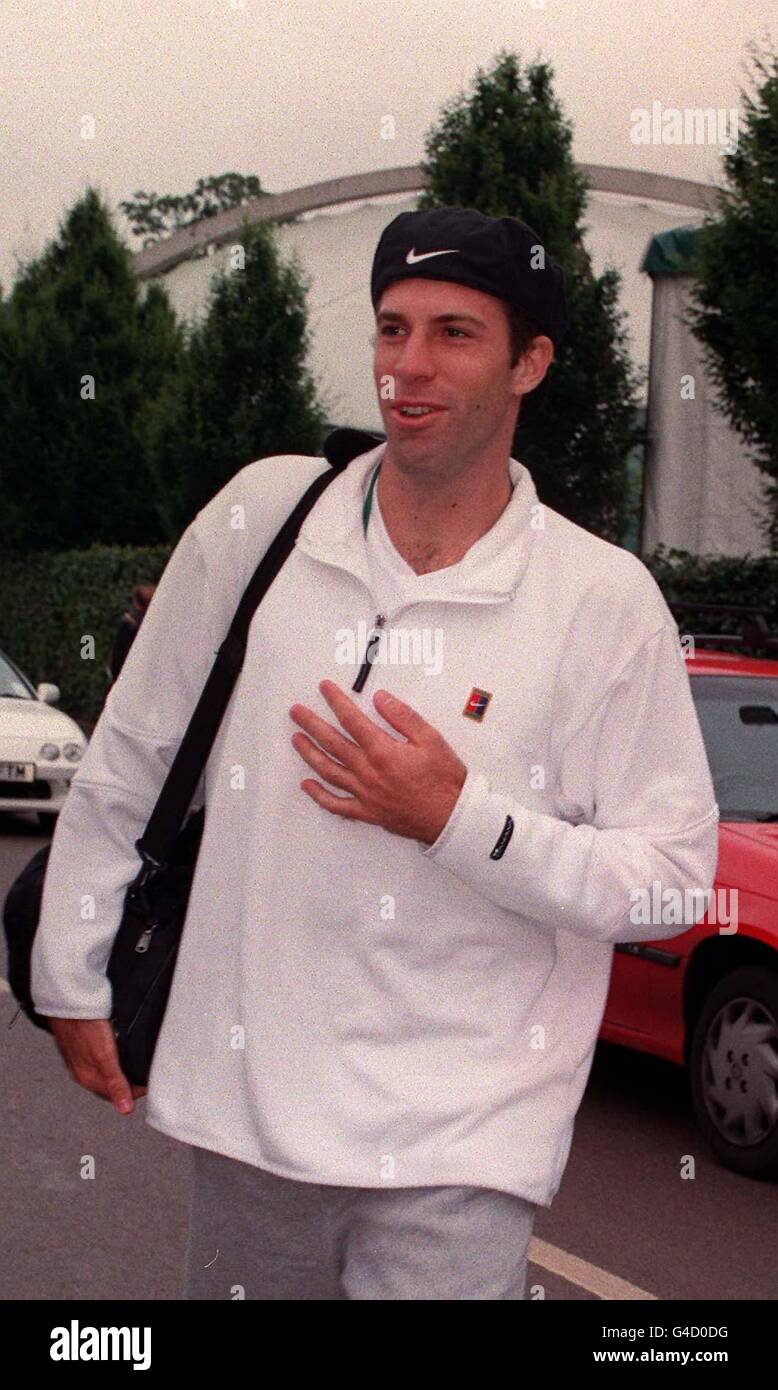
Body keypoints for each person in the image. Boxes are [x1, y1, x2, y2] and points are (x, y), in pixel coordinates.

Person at [30, 206, 719, 1301]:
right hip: (244, 1118)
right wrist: (68, 968)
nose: (409, 366)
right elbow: (137, 749)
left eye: (453, 333)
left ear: (529, 361)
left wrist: (459, 819)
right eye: (391, 329)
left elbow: (675, 881)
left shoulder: (600, 601)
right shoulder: (263, 519)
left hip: (462, 1147)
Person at [105, 584, 156, 696]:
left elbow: (119, 653)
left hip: (124, 680)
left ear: (137, 603)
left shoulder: (129, 624)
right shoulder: (153, 626)